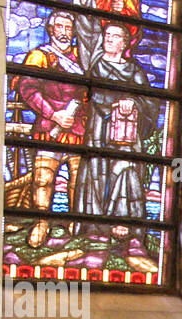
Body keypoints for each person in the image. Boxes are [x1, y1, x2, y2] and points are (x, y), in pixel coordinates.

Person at [73, 21, 159, 270]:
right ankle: (97, 228)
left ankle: (128, 230)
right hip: (100, 131)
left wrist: (134, 103)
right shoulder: (97, 66)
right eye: (106, 35)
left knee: (126, 170)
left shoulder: (135, 71)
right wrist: (117, 102)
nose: (108, 39)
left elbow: (151, 104)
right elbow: (92, 96)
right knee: (98, 175)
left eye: (115, 36)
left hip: (129, 137)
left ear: (125, 43)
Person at [14, 10, 87, 247]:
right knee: (43, 179)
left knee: (78, 181)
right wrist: (53, 114)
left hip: (77, 128)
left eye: (68, 28)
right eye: (60, 27)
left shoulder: (82, 58)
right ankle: (41, 222)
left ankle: (74, 222)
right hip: (48, 127)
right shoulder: (40, 56)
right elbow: (27, 88)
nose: (64, 32)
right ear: (51, 29)